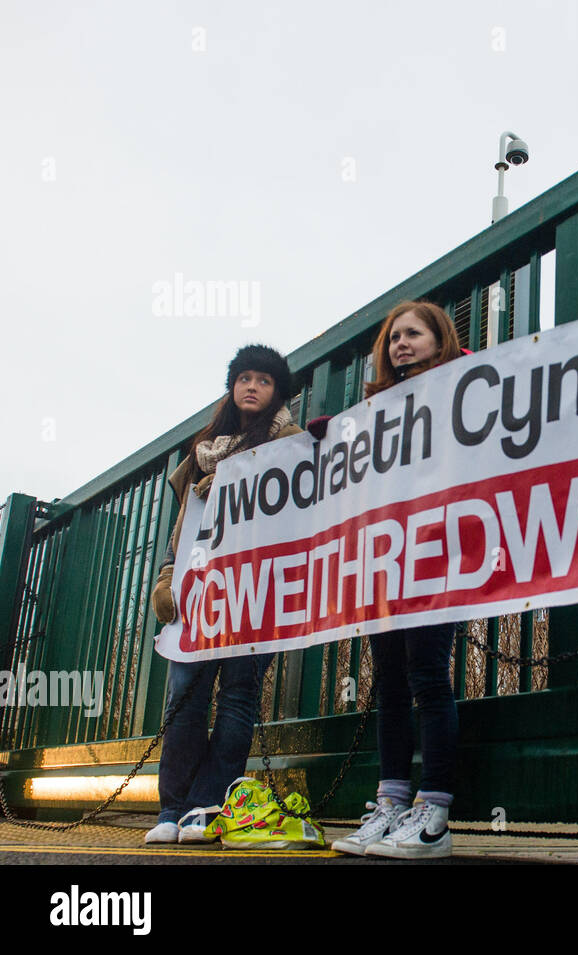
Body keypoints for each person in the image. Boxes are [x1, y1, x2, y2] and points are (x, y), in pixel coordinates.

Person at [145, 345, 302, 844]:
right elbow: (183, 529)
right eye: (243, 378)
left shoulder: (293, 442)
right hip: (200, 589)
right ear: (232, 388)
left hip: (257, 589)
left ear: (278, 392)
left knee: (237, 697)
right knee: (184, 698)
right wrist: (169, 577)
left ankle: (206, 806)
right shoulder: (204, 449)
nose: (251, 386)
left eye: (264, 380)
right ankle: (171, 810)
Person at [329, 301, 463, 860]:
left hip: (437, 553)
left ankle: (434, 813)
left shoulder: (467, 382)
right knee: (387, 681)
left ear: (440, 339)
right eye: (392, 338)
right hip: (385, 558)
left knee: (427, 674)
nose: (400, 344)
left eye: (413, 333)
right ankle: (390, 804)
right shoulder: (373, 411)